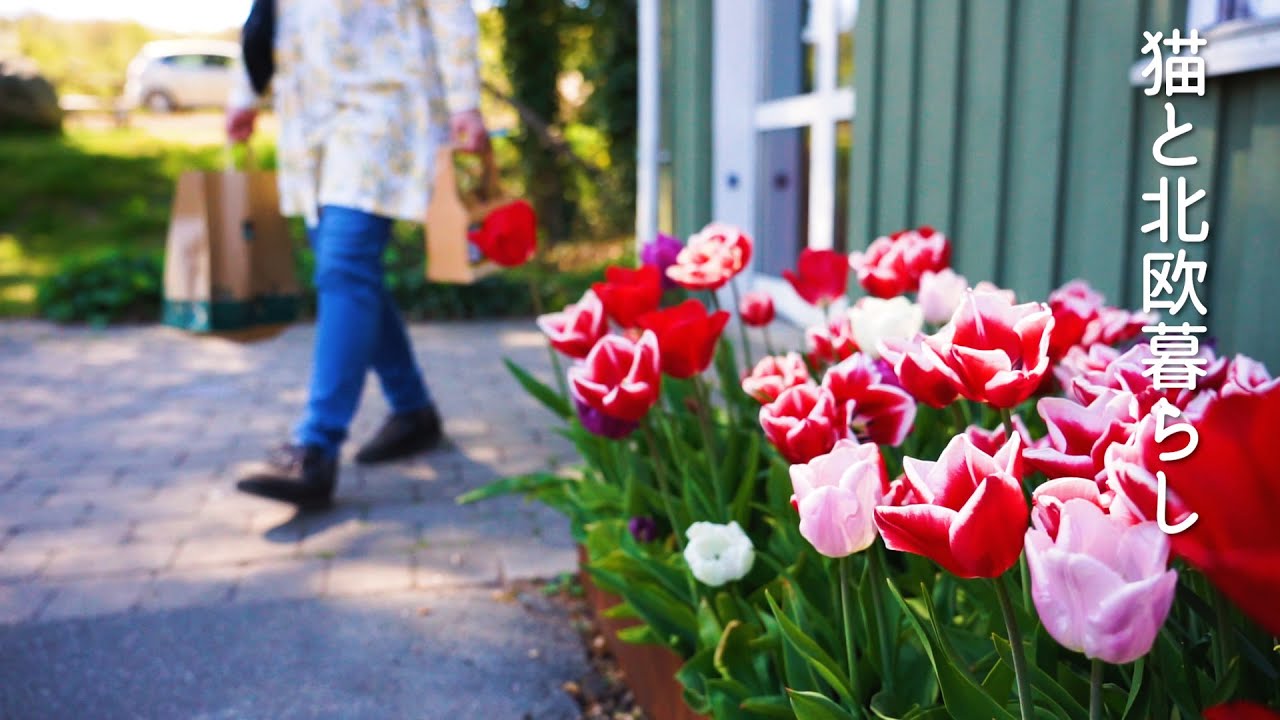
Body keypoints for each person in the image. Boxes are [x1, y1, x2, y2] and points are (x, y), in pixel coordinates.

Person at [226, 0, 489, 509]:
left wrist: (464, 101)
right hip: (308, 119)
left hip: (385, 106)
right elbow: (267, 13)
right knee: (351, 273)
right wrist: (245, 93)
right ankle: (413, 411)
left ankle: (315, 447)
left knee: (344, 265)